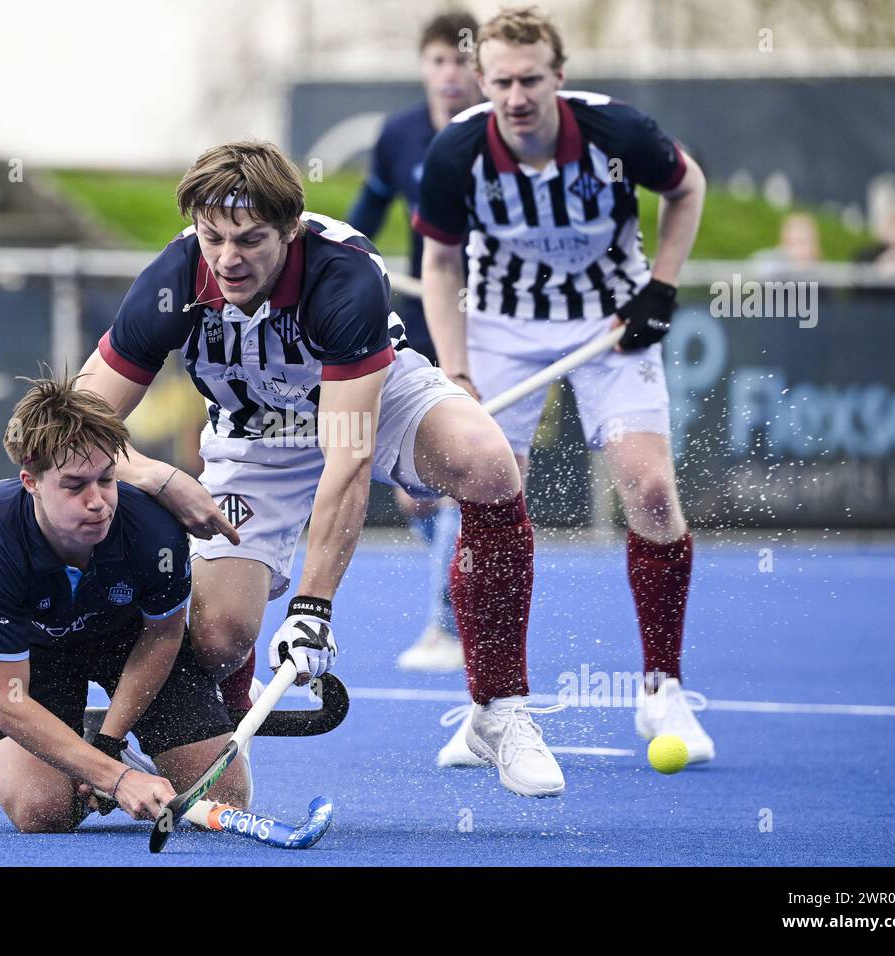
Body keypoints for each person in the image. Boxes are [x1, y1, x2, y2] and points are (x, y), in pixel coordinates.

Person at [78, 139, 568, 798]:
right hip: (256, 440)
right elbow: (79, 420)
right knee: (220, 633)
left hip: (370, 403)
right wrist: (159, 476)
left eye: (250, 239)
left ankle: (499, 710)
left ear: (291, 228)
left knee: (488, 463)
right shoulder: (173, 280)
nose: (227, 258)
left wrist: (312, 608)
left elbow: (349, 454)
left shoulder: (342, 275)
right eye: (212, 236)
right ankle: (222, 708)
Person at [414, 6, 715, 767]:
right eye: (502, 81)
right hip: (501, 329)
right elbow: (442, 265)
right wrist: (457, 372)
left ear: (559, 77)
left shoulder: (617, 134)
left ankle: (663, 689)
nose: (517, 97)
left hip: (609, 324)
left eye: (532, 80)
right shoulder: (456, 153)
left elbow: (689, 187)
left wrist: (663, 287)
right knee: (478, 507)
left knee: (650, 492)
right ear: (482, 82)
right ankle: (486, 709)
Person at [0, 373, 248, 832]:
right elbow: (6, 699)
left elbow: (163, 634)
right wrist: (118, 779)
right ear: (31, 482)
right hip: (39, 653)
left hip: (131, 643)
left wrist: (111, 748)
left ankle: (97, 739)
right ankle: (78, 747)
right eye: (74, 486)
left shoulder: (153, 530)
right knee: (42, 811)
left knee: (226, 796)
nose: (98, 503)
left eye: (107, 479)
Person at [346, 10, 481, 673]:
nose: (451, 74)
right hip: (425, 317)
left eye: (462, 62)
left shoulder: (496, 132)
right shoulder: (399, 136)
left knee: (464, 479)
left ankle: (451, 626)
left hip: (488, 320)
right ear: (425, 67)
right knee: (416, 494)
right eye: (440, 62)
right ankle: (477, 583)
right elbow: (362, 219)